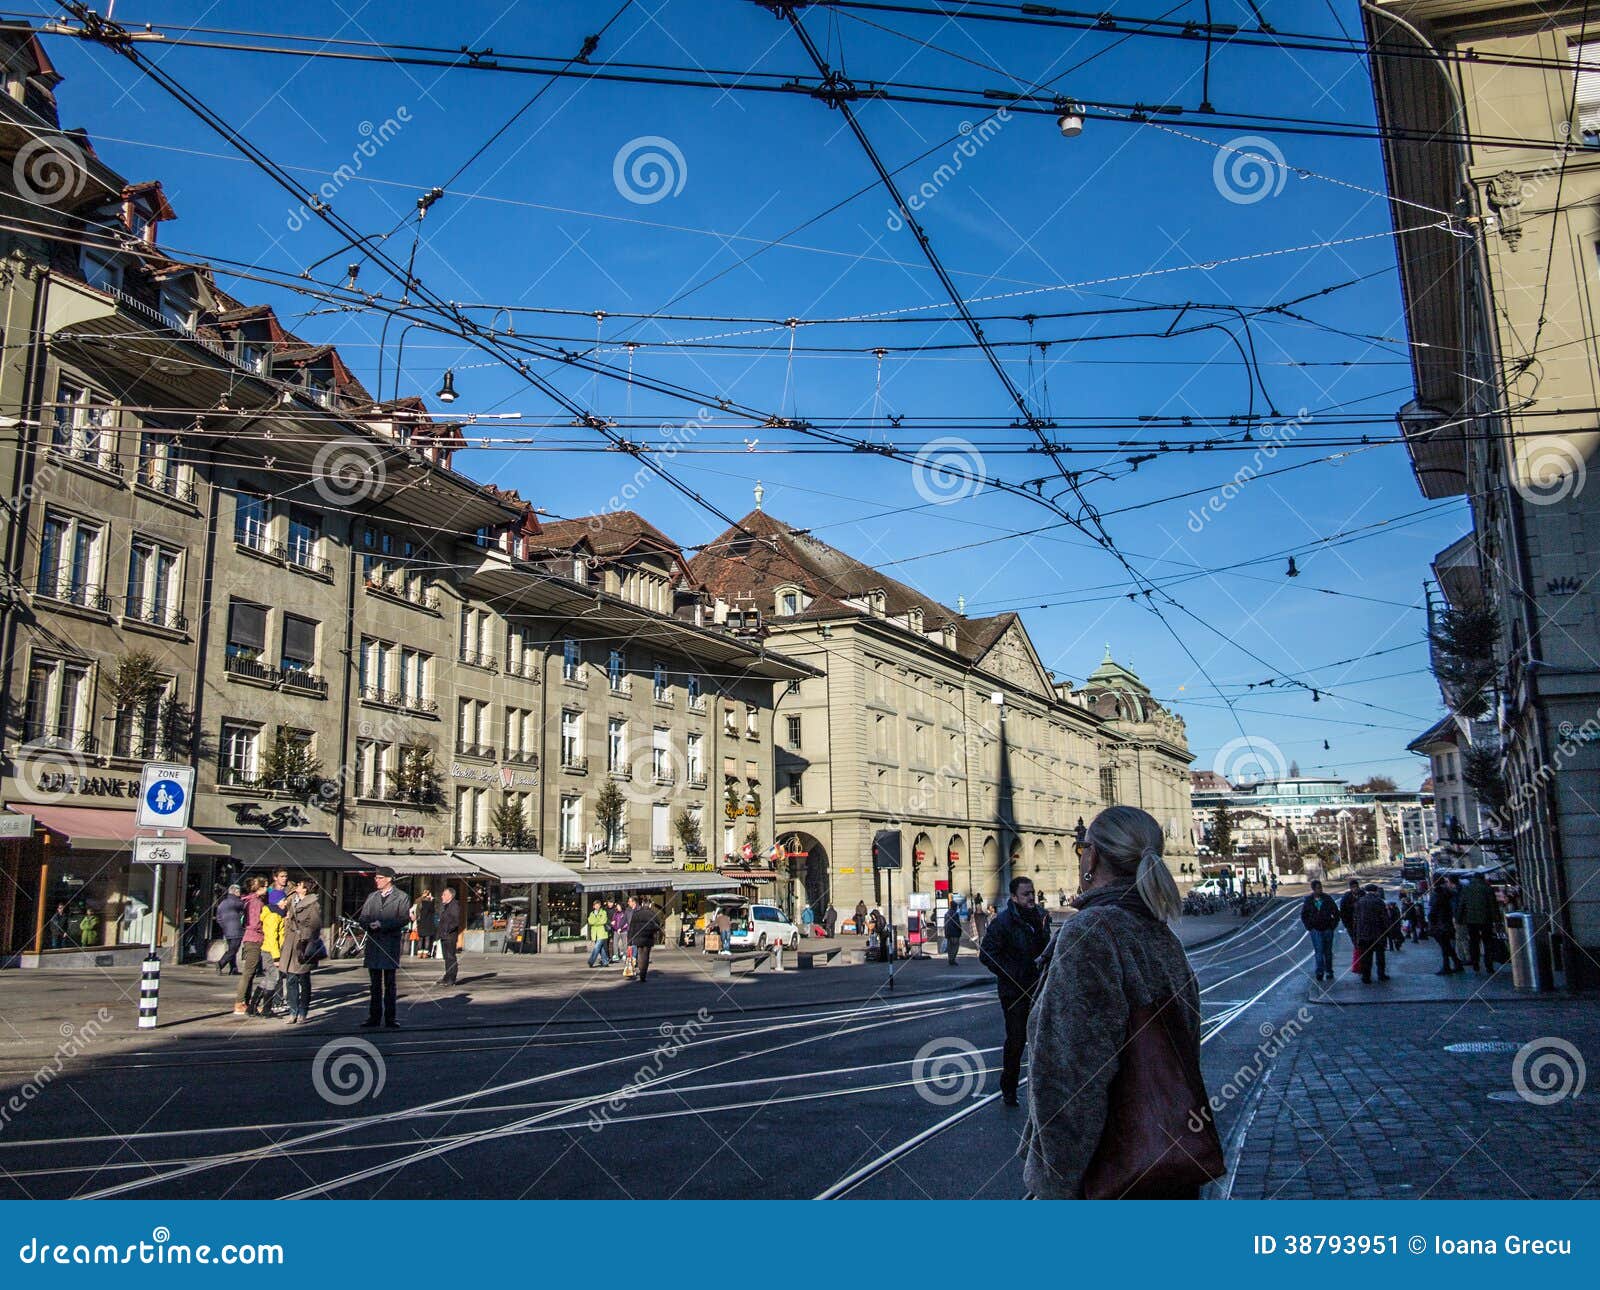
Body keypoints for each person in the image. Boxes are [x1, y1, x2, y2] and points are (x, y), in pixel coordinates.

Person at [1024, 806, 1205, 1199]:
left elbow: (1069, 1079)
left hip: (1108, 1177)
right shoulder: (1161, 936)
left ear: (1090, 858)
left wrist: (1056, 1185)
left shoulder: (1090, 932)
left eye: (1081, 848)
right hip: (1165, 1163)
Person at [979, 876, 1054, 1108]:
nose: (1031, 897)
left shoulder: (1041, 916)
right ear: (1014, 897)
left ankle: (1043, 1091)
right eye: (1026, 894)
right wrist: (1014, 972)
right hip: (1014, 992)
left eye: (1032, 893)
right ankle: (1009, 1089)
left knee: (1044, 1040)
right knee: (1017, 1040)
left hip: (1039, 986)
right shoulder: (1003, 923)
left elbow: (1045, 946)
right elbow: (987, 954)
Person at [359, 867, 411, 1028]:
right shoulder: (372, 897)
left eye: (380, 878)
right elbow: (363, 917)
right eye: (376, 878)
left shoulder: (402, 897)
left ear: (389, 879)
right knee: (374, 984)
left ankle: (390, 1018)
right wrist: (368, 924)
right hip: (374, 944)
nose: (377, 880)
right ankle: (373, 1017)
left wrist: (383, 924)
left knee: (390, 983)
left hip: (389, 944)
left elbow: (403, 919)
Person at [279, 879, 323, 1023]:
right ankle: (293, 1011)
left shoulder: (313, 904)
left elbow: (315, 926)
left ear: (306, 889)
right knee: (291, 979)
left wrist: (304, 936)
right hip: (290, 943)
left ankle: (303, 1012)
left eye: (299, 885)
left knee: (303, 980)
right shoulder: (292, 900)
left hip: (304, 946)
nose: (296, 886)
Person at [232, 878, 266, 1016]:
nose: (266, 889)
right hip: (254, 938)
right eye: (265, 886)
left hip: (251, 937)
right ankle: (239, 1003)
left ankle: (245, 1002)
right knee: (248, 972)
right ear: (259, 888)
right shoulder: (256, 902)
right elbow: (255, 923)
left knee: (250, 973)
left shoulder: (249, 900)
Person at [1456, 875, 1500, 973]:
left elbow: (1461, 904)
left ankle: (1475, 964)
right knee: (1488, 942)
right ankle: (1489, 965)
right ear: (1482, 879)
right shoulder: (1487, 888)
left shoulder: (1466, 889)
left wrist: (1459, 919)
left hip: (1471, 920)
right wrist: (1497, 920)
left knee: (1473, 942)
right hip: (1486, 919)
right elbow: (1493, 905)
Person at [1299, 879, 1340, 981]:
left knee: (1328, 952)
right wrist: (1309, 926)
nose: (1320, 890)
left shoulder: (1327, 899)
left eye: (1321, 888)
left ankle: (1329, 971)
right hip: (1316, 929)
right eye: (1318, 888)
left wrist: (1332, 925)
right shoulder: (1309, 900)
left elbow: (1336, 913)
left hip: (1327, 929)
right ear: (1313, 889)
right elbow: (1304, 915)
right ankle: (1320, 971)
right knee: (1319, 951)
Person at [1353, 884, 1391, 984]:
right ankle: (1381, 974)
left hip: (1363, 934)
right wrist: (1388, 931)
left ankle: (1366, 976)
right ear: (1375, 891)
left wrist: (1357, 934)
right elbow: (1384, 918)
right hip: (1378, 933)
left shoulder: (1359, 902)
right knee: (1380, 955)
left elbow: (1356, 919)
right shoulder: (1379, 902)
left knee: (1366, 957)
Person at [1429, 876, 1462, 975]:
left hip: (1440, 924)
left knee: (1444, 946)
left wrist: (1431, 920)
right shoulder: (1449, 893)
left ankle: (1447, 966)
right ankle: (1456, 963)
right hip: (1447, 922)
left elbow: (1433, 909)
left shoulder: (1437, 894)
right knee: (1447, 945)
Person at [628, 893, 663, 983]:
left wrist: (629, 940)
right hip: (648, 937)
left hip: (638, 937)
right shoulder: (652, 914)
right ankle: (643, 974)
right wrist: (652, 931)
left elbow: (631, 927)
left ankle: (641, 971)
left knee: (640, 953)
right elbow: (657, 926)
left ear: (642, 904)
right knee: (646, 955)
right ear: (650, 905)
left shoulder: (636, 914)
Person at [215, 884, 245, 975]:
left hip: (227, 930)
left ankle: (233, 968)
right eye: (239, 891)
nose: (240, 893)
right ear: (235, 892)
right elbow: (243, 906)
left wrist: (224, 926)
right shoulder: (236, 902)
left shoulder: (222, 903)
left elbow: (218, 918)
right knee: (233, 950)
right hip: (235, 929)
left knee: (231, 948)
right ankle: (220, 963)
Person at [436, 887, 461, 985]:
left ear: (450, 895)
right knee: (446, 957)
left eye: (444, 894)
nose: (442, 896)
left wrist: (447, 930)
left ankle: (451, 978)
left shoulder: (454, 905)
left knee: (450, 957)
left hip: (450, 936)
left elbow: (455, 921)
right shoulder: (447, 906)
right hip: (444, 935)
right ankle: (447, 977)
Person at [1337, 878, 1362, 971]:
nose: (1355, 889)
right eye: (1353, 887)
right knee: (1356, 943)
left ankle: (1361, 963)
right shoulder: (1346, 898)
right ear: (1350, 888)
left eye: (1356, 887)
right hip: (1351, 925)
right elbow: (1343, 912)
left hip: (1362, 925)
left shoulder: (1362, 895)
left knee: (1362, 944)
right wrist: (1347, 924)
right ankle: (1358, 964)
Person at [586, 901, 612, 967]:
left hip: (602, 933)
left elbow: (603, 921)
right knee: (601, 949)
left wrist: (595, 922)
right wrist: (597, 921)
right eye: (595, 905)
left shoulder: (603, 912)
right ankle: (605, 962)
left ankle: (591, 961)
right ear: (593, 906)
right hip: (595, 934)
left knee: (596, 948)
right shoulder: (591, 913)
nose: (597, 906)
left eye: (598, 905)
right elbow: (590, 921)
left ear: (600, 906)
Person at [414, 889, 437, 958]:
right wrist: (432, 900)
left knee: (420, 938)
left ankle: (419, 952)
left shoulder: (419, 902)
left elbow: (416, 908)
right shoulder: (430, 903)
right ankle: (425, 953)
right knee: (427, 938)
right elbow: (433, 910)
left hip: (420, 922)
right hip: (428, 923)